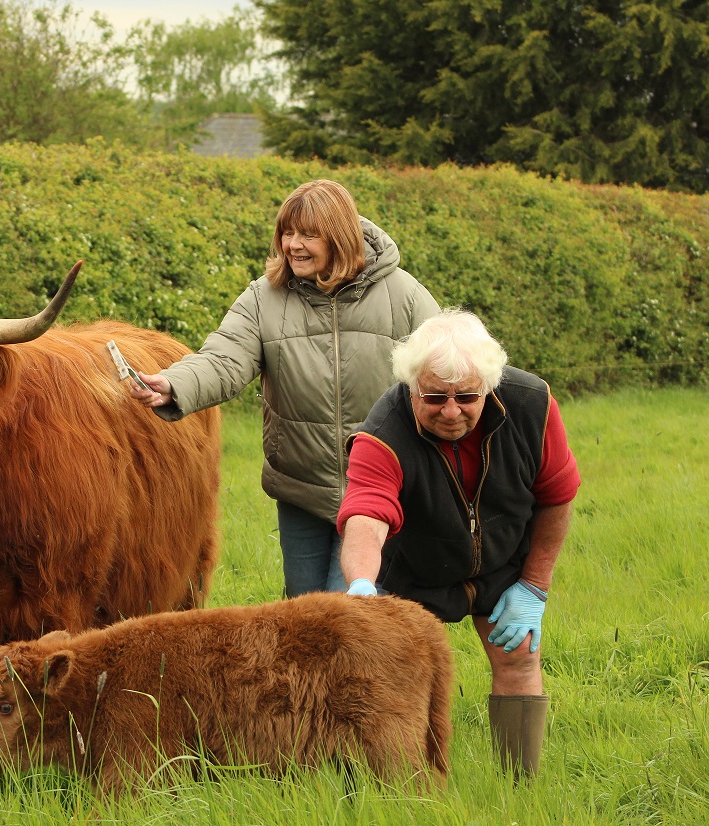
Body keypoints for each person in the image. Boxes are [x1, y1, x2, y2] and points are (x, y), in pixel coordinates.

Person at [127, 179, 439, 597]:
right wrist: (173, 384)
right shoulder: (264, 297)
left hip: (377, 487)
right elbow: (223, 358)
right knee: (302, 611)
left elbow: (447, 367)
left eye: (307, 234)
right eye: (287, 233)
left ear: (339, 237)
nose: (292, 245)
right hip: (300, 487)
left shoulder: (404, 295)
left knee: (346, 613)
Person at [337, 309, 580, 777]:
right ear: (411, 386)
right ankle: (400, 788)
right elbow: (366, 516)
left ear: (489, 386)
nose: (451, 412)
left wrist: (534, 586)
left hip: (502, 560)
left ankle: (519, 787)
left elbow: (558, 494)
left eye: (467, 397)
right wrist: (362, 585)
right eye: (434, 397)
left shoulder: (533, 405)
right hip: (411, 569)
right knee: (389, 675)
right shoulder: (382, 432)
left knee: (519, 656)